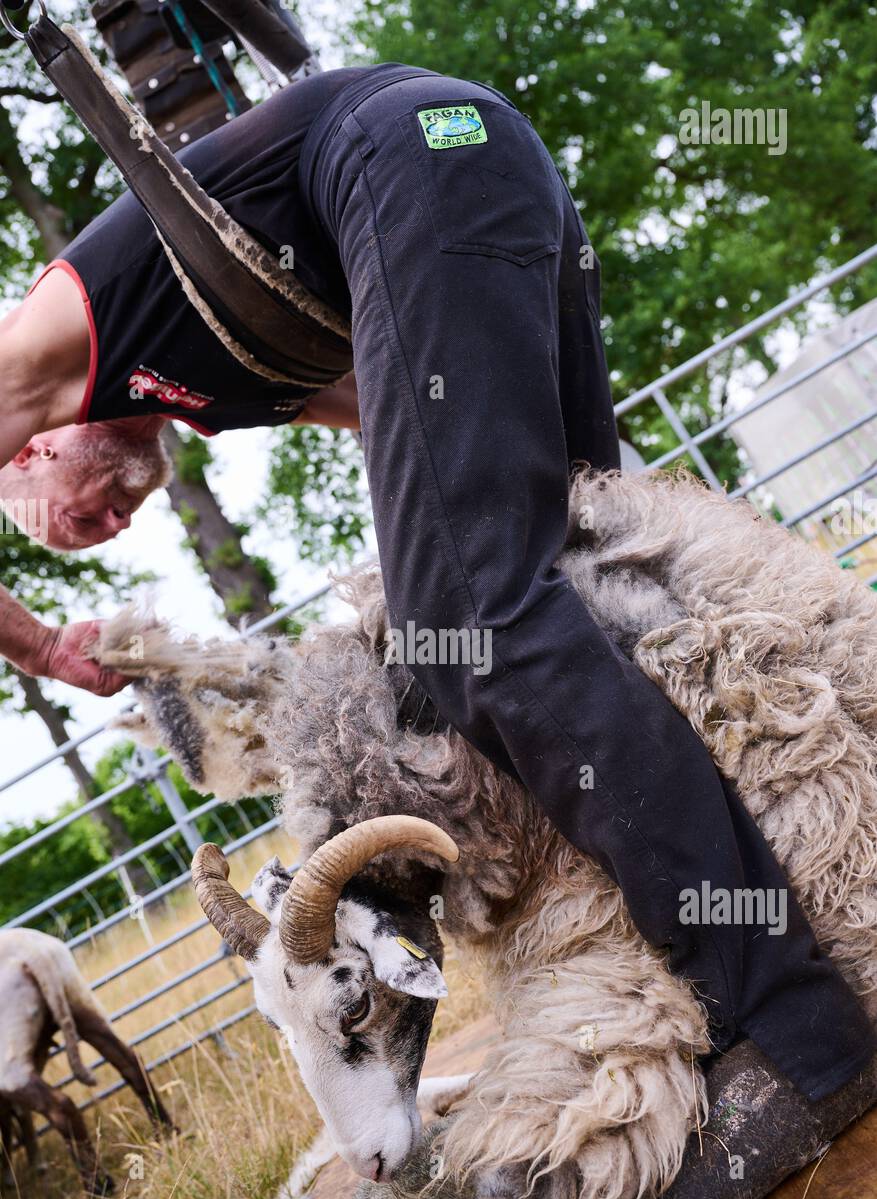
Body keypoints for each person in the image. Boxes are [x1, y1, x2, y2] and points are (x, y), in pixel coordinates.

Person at [1, 61, 873, 1101]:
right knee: (588, 572)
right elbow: (413, 404)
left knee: (467, 619)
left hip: (402, 163)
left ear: (26, 454)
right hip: (483, 164)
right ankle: (801, 910)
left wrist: (46, 648)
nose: (113, 521)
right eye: (110, 532)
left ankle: (794, 1023)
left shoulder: (41, 349)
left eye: (82, 515)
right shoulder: (207, 366)